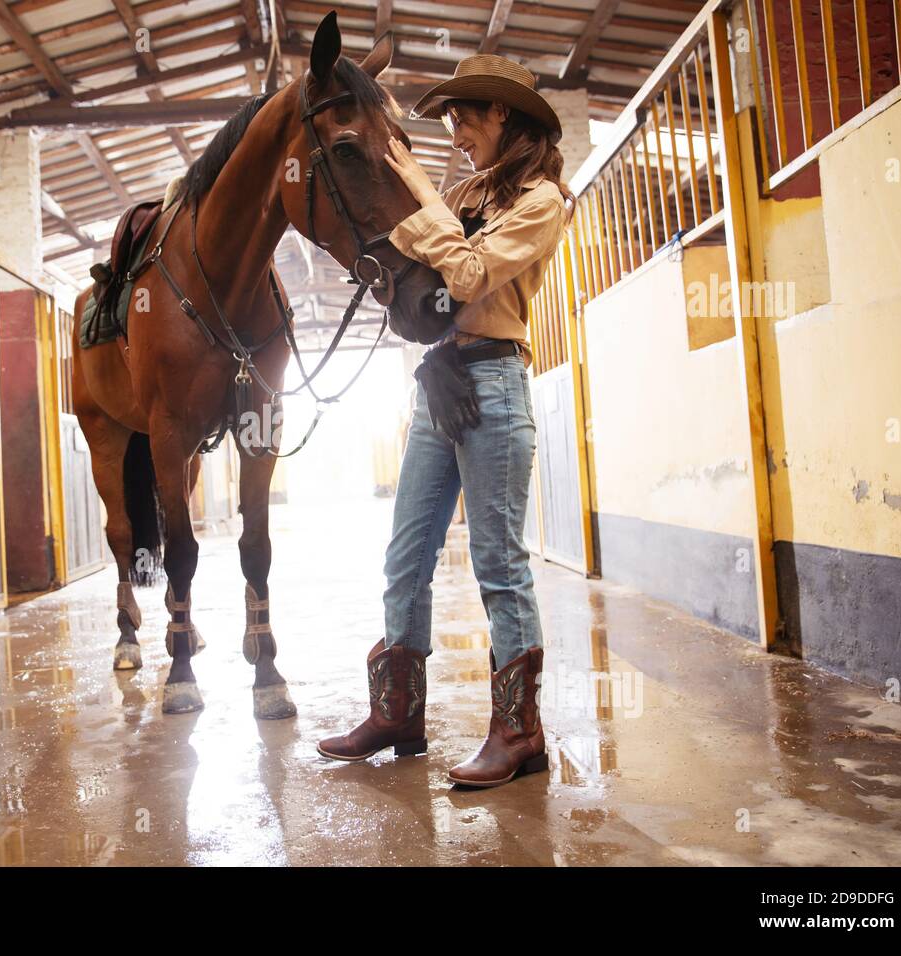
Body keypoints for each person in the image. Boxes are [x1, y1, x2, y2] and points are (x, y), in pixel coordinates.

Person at [317, 54, 573, 788]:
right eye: (451, 119)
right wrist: (429, 355)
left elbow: (463, 275)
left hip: (494, 380)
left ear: (504, 116)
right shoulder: (463, 193)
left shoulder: (542, 202)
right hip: (442, 383)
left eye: (464, 117)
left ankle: (519, 733)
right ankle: (398, 712)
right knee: (405, 555)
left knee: (498, 563)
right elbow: (415, 282)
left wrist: (422, 194)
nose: (455, 132)